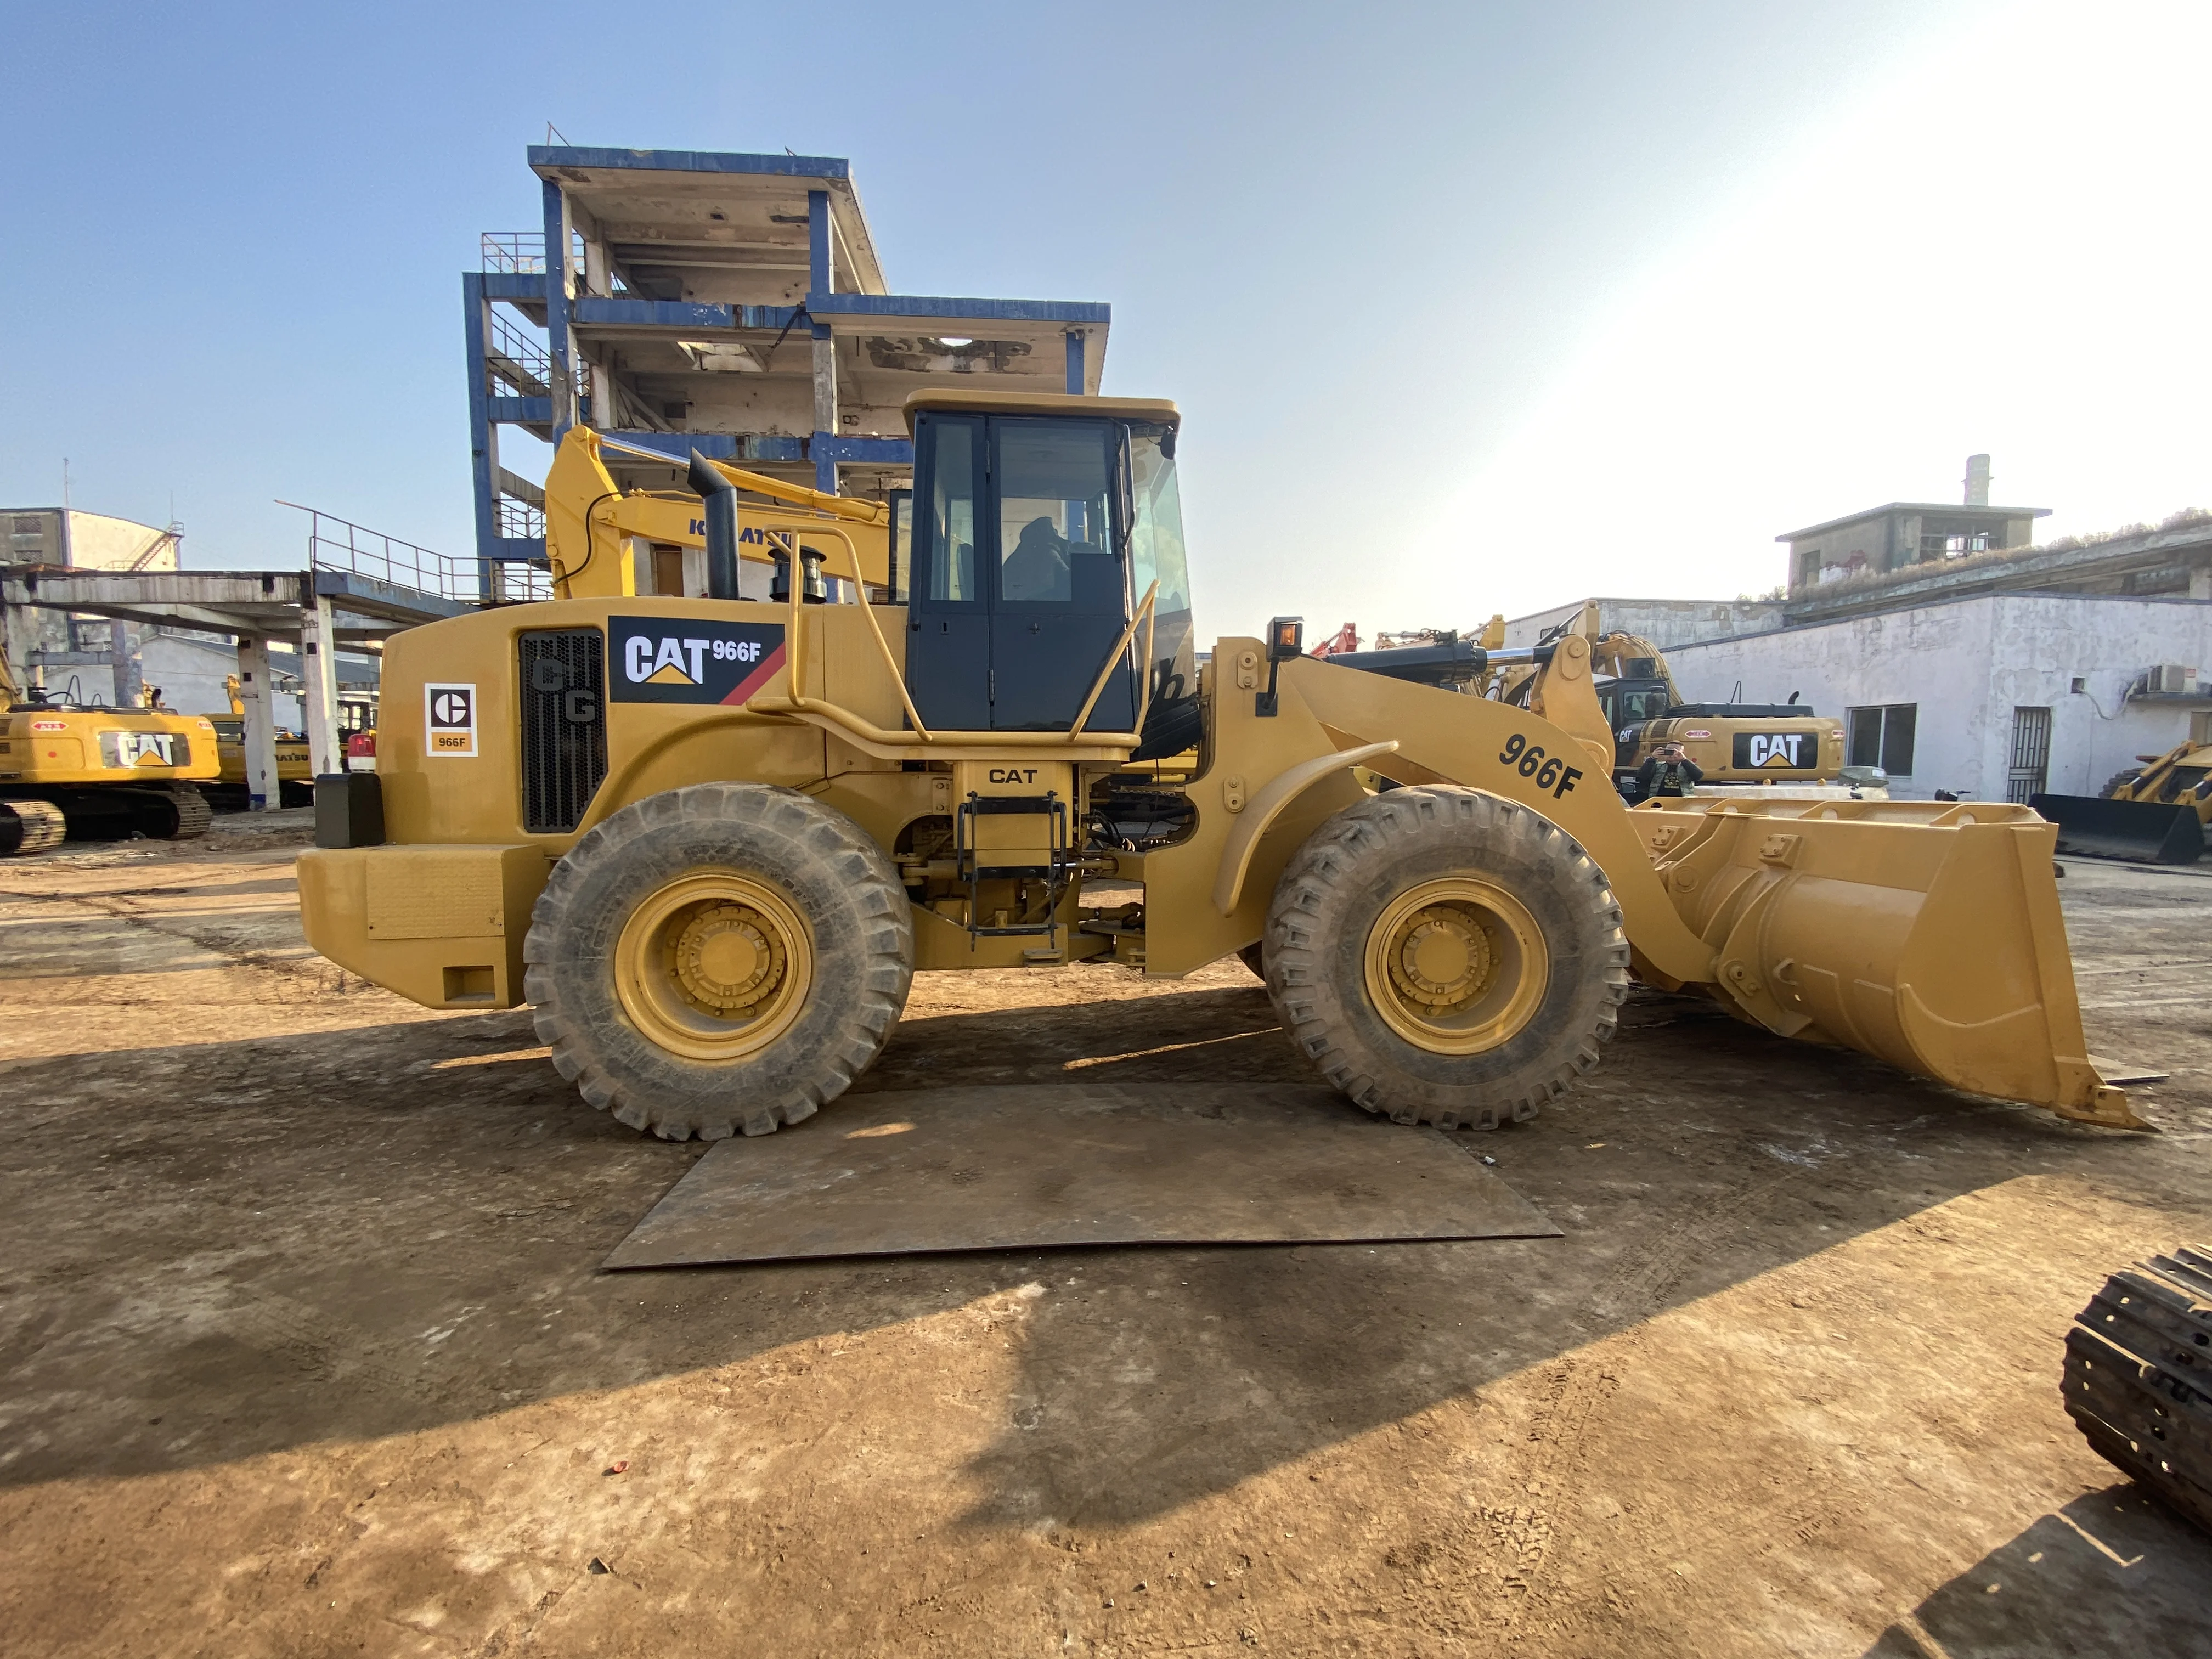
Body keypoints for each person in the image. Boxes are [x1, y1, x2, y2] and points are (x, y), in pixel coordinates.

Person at [1001, 516, 1071, 602]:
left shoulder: (1024, 550)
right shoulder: (1048, 552)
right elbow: (1067, 576)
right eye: (1053, 530)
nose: (1056, 534)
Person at [1636, 742, 1704, 798]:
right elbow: (1642, 776)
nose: (1671, 755)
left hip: (1683, 802)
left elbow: (1698, 776)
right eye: (1668, 751)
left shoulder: (1687, 767)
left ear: (1682, 753)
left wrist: (1684, 760)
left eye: (1674, 752)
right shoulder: (1658, 766)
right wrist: (1652, 758)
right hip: (1659, 802)